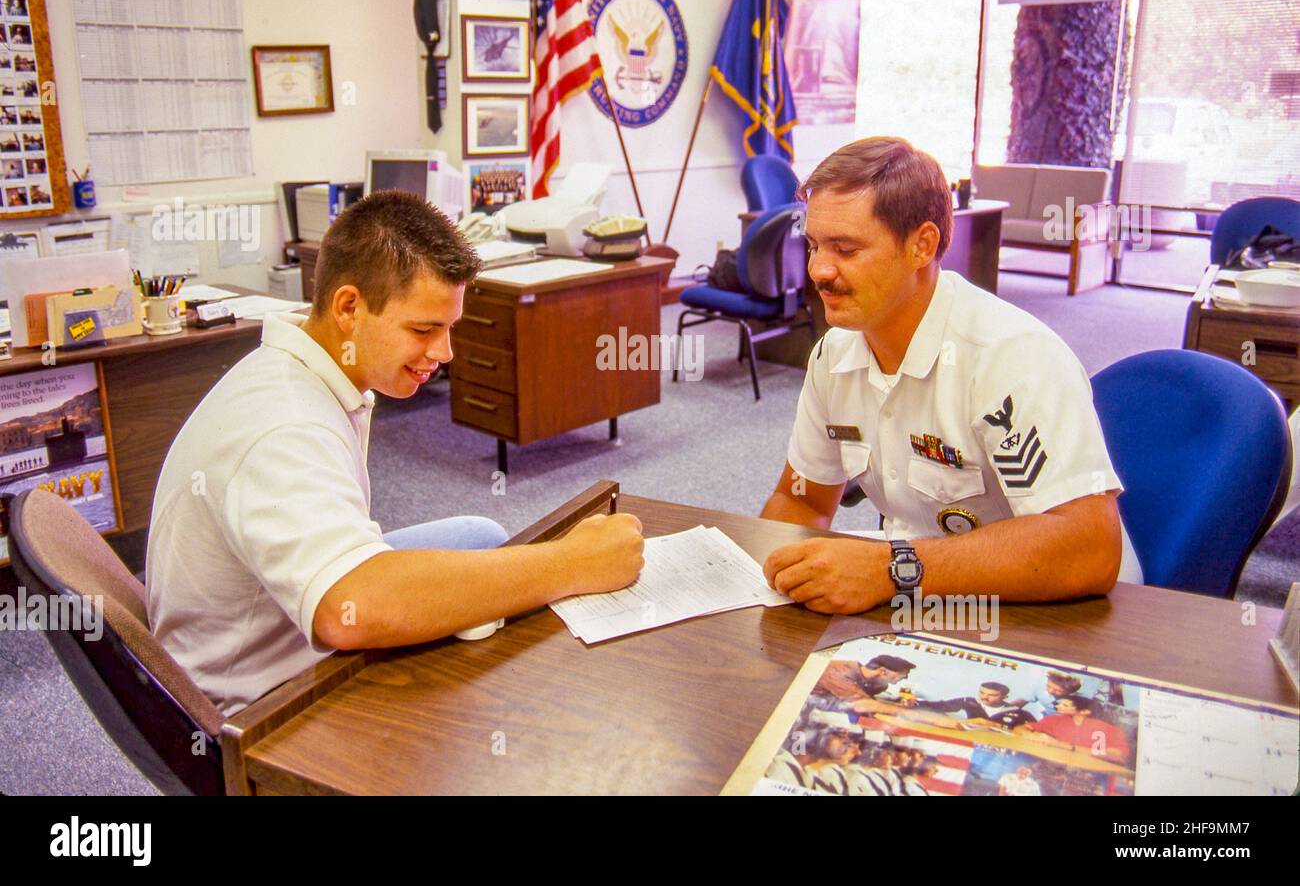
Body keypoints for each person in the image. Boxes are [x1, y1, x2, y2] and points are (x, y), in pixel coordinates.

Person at [147, 191, 645, 714]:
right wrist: (573, 564)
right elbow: (350, 608)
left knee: (484, 538)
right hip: (257, 696)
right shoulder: (285, 426)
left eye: (448, 328)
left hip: (270, 613)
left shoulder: (317, 361)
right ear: (348, 308)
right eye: (423, 330)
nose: (444, 353)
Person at [761, 136, 1132, 614]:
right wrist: (761, 580)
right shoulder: (835, 354)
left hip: (1056, 607)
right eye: (813, 245)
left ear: (923, 245)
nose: (819, 270)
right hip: (919, 593)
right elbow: (805, 502)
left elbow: (1089, 548)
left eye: (846, 249)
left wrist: (889, 569)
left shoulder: (1009, 356)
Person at [1017, 696, 1131, 764]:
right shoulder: (1054, 719)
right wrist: (1031, 736)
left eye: (1066, 705)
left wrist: (1059, 744)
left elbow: (1118, 755)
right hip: (1054, 765)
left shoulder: (1105, 728)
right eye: (1059, 703)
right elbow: (1020, 728)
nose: (1058, 706)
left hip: (1089, 772)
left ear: (1085, 711)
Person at [814, 653, 915, 702]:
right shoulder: (842, 670)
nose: (905, 677)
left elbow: (868, 697)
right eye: (902, 673)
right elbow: (862, 702)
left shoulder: (878, 686)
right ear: (883, 671)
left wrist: (898, 700)